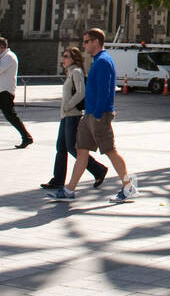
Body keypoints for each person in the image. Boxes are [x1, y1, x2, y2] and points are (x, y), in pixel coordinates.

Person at [47, 29, 137, 203]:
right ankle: (69, 190)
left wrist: (97, 114)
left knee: (110, 151)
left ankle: (128, 187)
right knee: (81, 151)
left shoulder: (103, 61)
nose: (84, 45)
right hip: (89, 115)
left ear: (96, 41)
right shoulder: (97, 61)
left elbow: (105, 91)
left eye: (86, 41)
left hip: (99, 115)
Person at [41, 46, 107, 191]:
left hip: (73, 116)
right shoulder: (71, 72)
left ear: (73, 59)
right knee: (61, 148)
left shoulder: (76, 71)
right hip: (66, 116)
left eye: (65, 56)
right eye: (63, 56)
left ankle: (98, 170)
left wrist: (68, 106)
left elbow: (81, 92)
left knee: (72, 148)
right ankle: (58, 180)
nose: (63, 59)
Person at [0, 36, 33, 148]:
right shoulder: (3, 57)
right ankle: (26, 137)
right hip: (2, 91)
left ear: (2, 47)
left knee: (11, 116)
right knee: (10, 116)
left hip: (5, 92)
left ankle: (27, 137)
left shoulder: (9, 57)